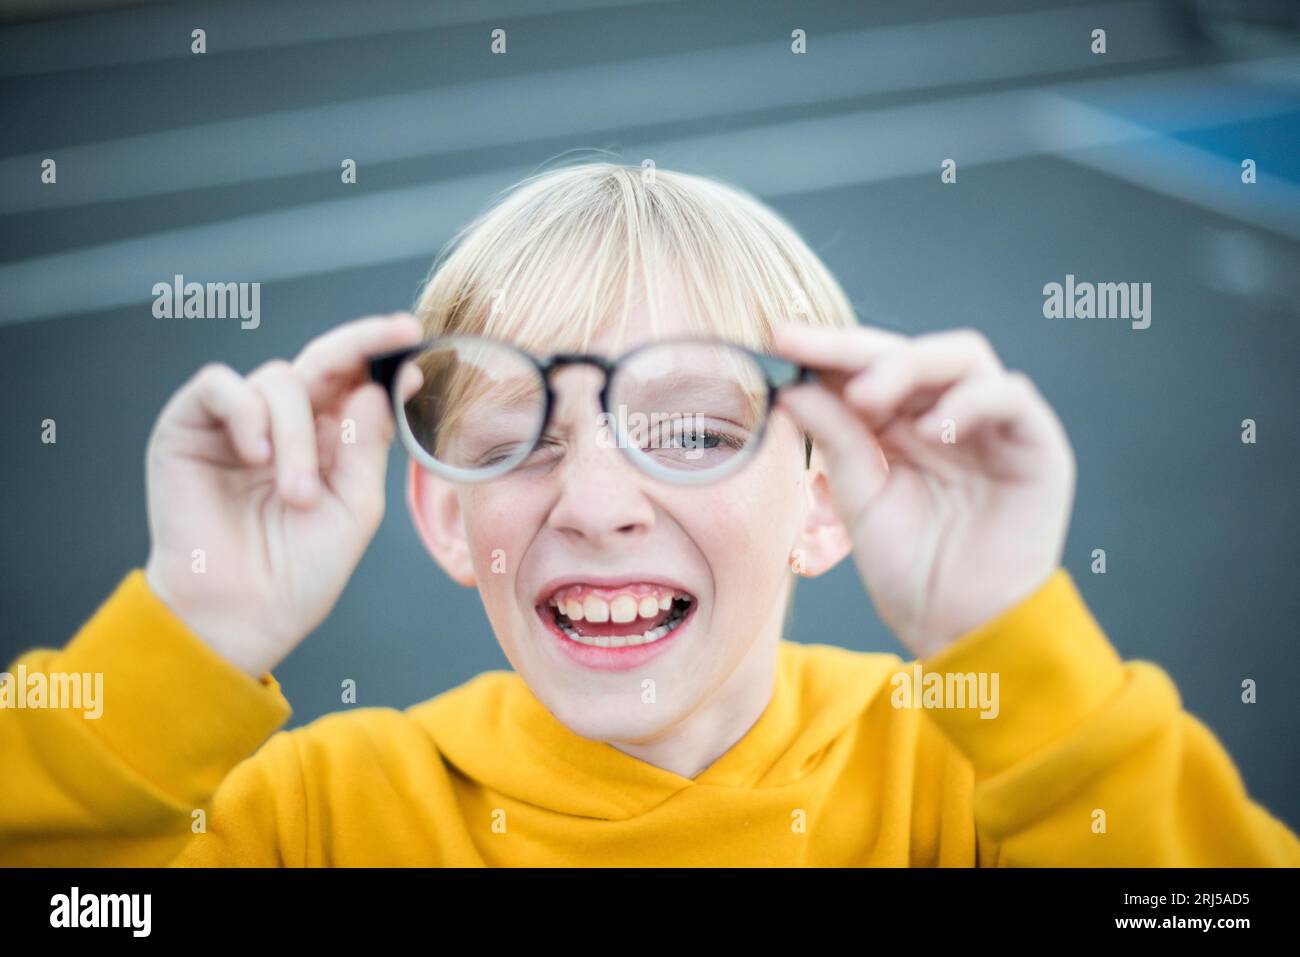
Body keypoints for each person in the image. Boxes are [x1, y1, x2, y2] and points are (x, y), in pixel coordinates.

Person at [3, 162, 1296, 866]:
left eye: (690, 430)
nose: (599, 501)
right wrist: (190, 629)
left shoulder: (968, 785)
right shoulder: (320, 815)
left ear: (827, 493)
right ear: (446, 517)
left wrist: (1019, 654)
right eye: (516, 440)